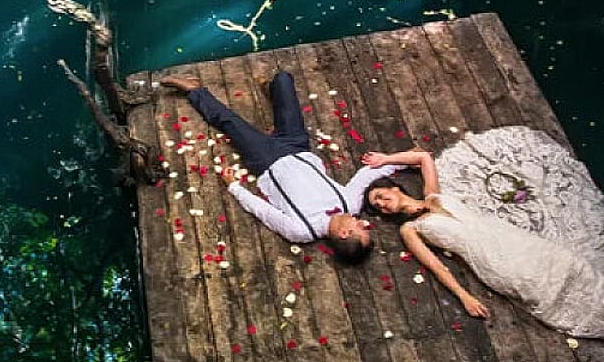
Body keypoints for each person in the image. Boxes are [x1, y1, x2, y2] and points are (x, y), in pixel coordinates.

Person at [361, 140, 604, 346]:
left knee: (571, 265)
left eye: (381, 195)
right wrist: (464, 296)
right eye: (377, 206)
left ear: (397, 189)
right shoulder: (411, 230)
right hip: (490, 259)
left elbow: (423, 156)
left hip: (509, 238)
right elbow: (435, 265)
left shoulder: (433, 193)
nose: (382, 203)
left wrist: (385, 159)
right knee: (541, 287)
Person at [158, 72, 420, 259]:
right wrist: (404, 159)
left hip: (266, 160)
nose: (363, 223)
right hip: (298, 148)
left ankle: (194, 90)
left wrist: (235, 187)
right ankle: (273, 93)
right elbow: (366, 174)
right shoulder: (350, 205)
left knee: (229, 122)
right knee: (284, 79)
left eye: (359, 230)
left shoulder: (300, 230)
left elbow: (262, 211)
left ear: (342, 233)